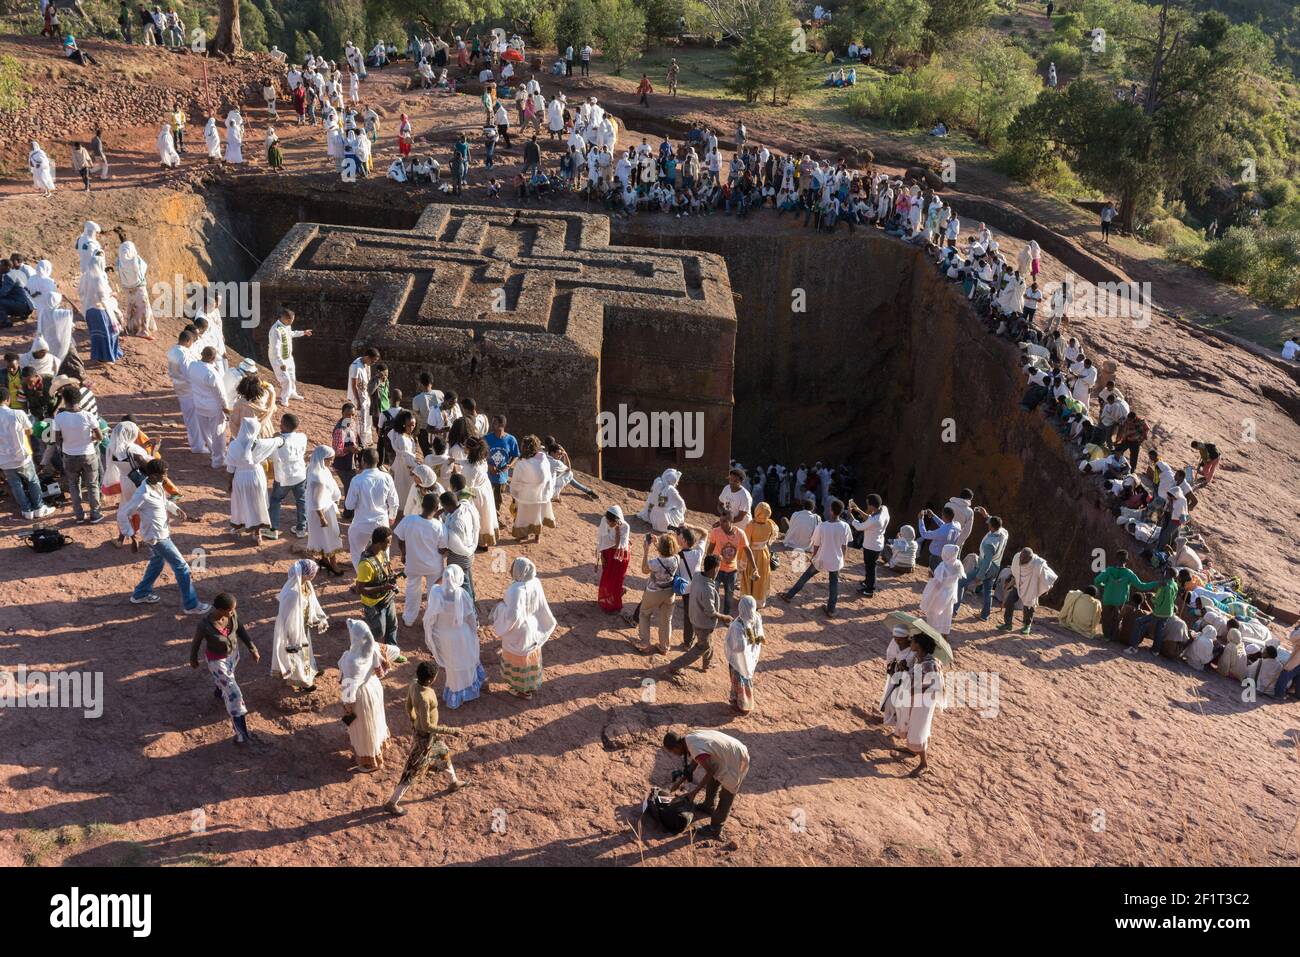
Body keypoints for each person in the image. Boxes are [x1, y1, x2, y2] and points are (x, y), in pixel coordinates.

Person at [124, 459, 208, 612]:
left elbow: (164, 503)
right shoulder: (142, 494)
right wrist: (131, 536)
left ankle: (141, 594)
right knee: (182, 567)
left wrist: (177, 510)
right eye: (164, 474)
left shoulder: (157, 485)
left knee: (157, 562)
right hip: (157, 537)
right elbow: (125, 513)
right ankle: (191, 605)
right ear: (154, 475)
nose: (166, 477)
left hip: (160, 532)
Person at [383, 660, 465, 815]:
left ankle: (454, 782)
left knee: (444, 754)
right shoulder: (424, 697)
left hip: (428, 736)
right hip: (425, 738)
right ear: (430, 679)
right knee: (411, 770)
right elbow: (427, 725)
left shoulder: (414, 684)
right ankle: (392, 803)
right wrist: (450, 730)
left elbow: (408, 706)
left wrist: (413, 720)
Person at [190, 593, 259, 744]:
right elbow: (196, 643)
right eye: (230, 610)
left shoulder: (231, 615)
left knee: (226, 680)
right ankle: (241, 734)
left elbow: (240, 629)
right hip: (217, 662)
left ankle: (218, 690)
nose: (233, 612)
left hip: (233, 655)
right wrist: (193, 659)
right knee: (235, 695)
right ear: (219, 609)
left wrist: (252, 648)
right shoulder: (205, 625)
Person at [663, 728, 749, 840]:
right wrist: (679, 783)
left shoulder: (694, 747)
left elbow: (711, 770)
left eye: (673, 752)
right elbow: (695, 762)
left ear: (677, 747)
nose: (674, 754)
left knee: (727, 795)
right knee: (715, 777)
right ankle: (708, 806)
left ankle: (715, 829)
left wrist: (694, 793)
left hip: (737, 759)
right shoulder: (689, 739)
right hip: (727, 753)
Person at [491, 556, 556, 699]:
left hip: (519, 631)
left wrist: (500, 607)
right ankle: (529, 686)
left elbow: (512, 616)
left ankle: (521, 690)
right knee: (529, 655)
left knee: (518, 658)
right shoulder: (536, 582)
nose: (509, 570)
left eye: (512, 568)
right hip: (533, 626)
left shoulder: (515, 589)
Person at [423, 564, 485, 708]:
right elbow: (470, 617)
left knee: (452, 666)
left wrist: (433, 636)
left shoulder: (436, 592)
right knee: (466, 661)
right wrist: (473, 632)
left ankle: (455, 693)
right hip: (461, 635)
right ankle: (468, 690)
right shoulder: (461, 594)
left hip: (445, 636)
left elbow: (431, 618)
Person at [781, 499, 851, 617]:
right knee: (833, 584)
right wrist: (842, 559)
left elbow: (816, 545)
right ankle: (831, 609)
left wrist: (813, 558)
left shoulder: (822, 526)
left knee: (806, 576)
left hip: (821, 558)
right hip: (836, 560)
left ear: (831, 510)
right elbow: (845, 546)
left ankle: (789, 595)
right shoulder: (845, 526)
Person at [338, 618, 390, 771]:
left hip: (361, 696)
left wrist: (347, 706)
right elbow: (382, 668)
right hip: (373, 688)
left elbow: (349, 690)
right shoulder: (372, 647)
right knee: (374, 720)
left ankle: (369, 761)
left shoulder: (350, 660)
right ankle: (377, 750)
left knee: (363, 727)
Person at [890, 631, 945, 776]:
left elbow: (935, 686)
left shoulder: (930, 663)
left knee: (919, 728)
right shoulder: (918, 658)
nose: (911, 642)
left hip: (923, 703)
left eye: (913, 641)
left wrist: (914, 690)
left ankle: (923, 764)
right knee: (911, 724)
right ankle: (911, 749)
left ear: (919, 645)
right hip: (915, 699)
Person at [271, 559, 327, 691]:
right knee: (297, 654)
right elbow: (288, 618)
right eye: (312, 572)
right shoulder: (293, 594)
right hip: (294, 629)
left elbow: (312, 602)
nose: (314, 575)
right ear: (306, 574)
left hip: (303, 625)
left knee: (306, 652)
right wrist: (293, 636)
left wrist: (317, 618)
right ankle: (302, 680)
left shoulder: (306, 584)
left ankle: (310, 672)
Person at [52, 382, 103, 523]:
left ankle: (79, 516)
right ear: (79, 399)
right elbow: (100, 436)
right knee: (92, 484)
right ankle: (95, 514)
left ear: (65, 400)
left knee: (73, 485)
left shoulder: (59, 417)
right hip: (88, 454)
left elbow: (57, 440)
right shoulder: (88, 416)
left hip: (69, 456)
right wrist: (89, 438)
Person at [227, 417, 284, 543]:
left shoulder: (234, 445)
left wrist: (229, 483)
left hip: (240, 477)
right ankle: (257, 534)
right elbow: (278, 441)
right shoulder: (261, 444)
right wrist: (279, 437)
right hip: (256, 476)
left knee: (241, 502)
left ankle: (238, 528)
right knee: (258, 503)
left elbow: (230, 467)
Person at [394, 491, 445, 626]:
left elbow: (400, 539)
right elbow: (442, 548)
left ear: (422, 505)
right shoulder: (439, 526)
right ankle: (431, 621)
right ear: (437, 508)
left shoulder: (409, 520)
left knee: (412, 590)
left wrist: (404, 553)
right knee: (433, 592)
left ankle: (409, 619)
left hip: (413, 563)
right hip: (433, 566)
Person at [0, 389, 53, 520]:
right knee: (32, 480)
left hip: (4, 459)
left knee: (15, 485)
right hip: (22, 455)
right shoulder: (17, 413)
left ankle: (26, 511)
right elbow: (30, 431)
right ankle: (39, 508)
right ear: (8, 400)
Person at [355, 526, 405, 662]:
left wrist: (391, 575)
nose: (390, 544)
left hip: (387, 598)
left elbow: (385, 567)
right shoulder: (365, 565)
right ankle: (370, 656)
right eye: (388, 542)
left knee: (392, 626)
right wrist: (384, 586)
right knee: (378, 632)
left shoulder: (381, 552)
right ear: (379, 542)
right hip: (374, 604)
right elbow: (359, 589)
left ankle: (392, 653)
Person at [344, 447, 398, 570]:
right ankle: (383, 575)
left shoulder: (357, 480)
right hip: (381, 522)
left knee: (357, 550)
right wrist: (392, 516)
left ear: (363, 461)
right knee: (384, 552)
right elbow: (394, 501)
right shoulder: (387, 477)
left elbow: (349, 505)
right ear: (378, 461)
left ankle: (362, 576)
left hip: (361, 523)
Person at [305, 445, 346, 574]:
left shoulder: (320, 469)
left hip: (325, 508)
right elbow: (315, 500)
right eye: (330, 459)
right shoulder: (317, 478)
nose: (332, 462)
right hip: (321, 512)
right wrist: (322, 518)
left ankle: (325, 559)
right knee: (330, 537)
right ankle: (333, 564)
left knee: (325, 537)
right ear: (323, 459)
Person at [267, 412, 308, 540]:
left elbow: (268, 456)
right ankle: (301, 528)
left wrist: (273, 437)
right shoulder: (302, 437)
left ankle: (273, 529)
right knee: (301, 501)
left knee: (275, 500)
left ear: (283, 425)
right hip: (300, 474)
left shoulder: (277, 442)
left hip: (283, 478)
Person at [508, 434, 554, 542]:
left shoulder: (521, 463)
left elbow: (516, 481)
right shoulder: (543, 459)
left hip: (526, 495)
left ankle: (522, 535)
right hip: (541, 495)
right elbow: (548, 477)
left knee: (523, 516)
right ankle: (537, 537)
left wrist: (514, 493)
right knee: (537, 515)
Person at [1000, 548, 1058, 634]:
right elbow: (1014, 569)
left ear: (1030, 558)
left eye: (1024, 558)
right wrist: (1009, 578)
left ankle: (1027, 626)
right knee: (1009, 601)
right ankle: (1008, 624)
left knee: (1028, 606)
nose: (1021, 559)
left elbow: (1048, 577)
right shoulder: (1017, 557)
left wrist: (1046, 589)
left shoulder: (1038, 563)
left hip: (1031, 587)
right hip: (1018, 584)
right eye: (1021, 557)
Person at [724, 596, 764, 713]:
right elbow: (759, 636)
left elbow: (738, 647)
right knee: (747, 679)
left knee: (738, 679)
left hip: (738, 660)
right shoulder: (757, 617)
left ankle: (740, 704)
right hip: (750, 658)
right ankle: (747, 703)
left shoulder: (736, 625)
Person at [268, 307, 311, 406]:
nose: (292, 322)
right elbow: (275, 349)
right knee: (285, 378)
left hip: (288, 356)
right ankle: (284, 399)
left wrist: (303, 332)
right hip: (278, 359)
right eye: (291, 320)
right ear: (286, 319)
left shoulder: (286, 326)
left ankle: (292, 393)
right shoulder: (275, 330)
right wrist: (281, 363)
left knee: (292, 376)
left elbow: (290, 334)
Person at [847, 494, 889, 596]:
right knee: (870, 565)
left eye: (868, 504)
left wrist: (850, 515)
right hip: (877, 544)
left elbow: (859, 527)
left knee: (871, 567)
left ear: (872, 506)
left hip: (871, 546)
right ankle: (867, 582)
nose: (867, 506)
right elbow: (869, 517)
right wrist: (858, 510)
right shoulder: (884, 509)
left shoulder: (875, 520)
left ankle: (870, 590)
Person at [919, 544, 963, 640]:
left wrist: (931, 577)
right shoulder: (958, 564)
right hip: (950, 595)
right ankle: (944, 638)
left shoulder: (942, 566)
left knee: (933, 614)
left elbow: (937, 584)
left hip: (939, 596)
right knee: (946, 617)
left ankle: (930, 636)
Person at [741, 501, 779, 607]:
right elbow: (770, 539)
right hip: (764, 553)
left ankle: (748, 601)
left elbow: (746, 543)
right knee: (761, 577)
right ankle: (759, 601)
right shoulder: (770, 524)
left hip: (752, 554)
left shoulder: (751, 525)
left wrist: (742, 559)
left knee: (749, 575)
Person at [596, 505, 631, 613]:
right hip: (608, 553)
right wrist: (602, 555)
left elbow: (618, 546)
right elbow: (601, 538)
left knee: (616, 579)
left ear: (617, 520)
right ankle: (614, 595)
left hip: (620, 555)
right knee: (607, 578)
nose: (609, 524)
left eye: (612, 522)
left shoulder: (624, 527)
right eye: (608, 521)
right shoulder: (604, 520)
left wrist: (617, 531)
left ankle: (614, 605)